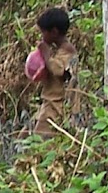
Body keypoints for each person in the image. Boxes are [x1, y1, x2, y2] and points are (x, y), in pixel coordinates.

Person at [29, 7, 76, 138]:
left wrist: (46, 55)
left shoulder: (68, 51)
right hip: (47, 104)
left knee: (38, 143)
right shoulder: (58, 49)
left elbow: (59, 70)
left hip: (55, 107)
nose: (42, 37)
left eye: (44, 32)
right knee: (25, 137)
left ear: (54, 32)